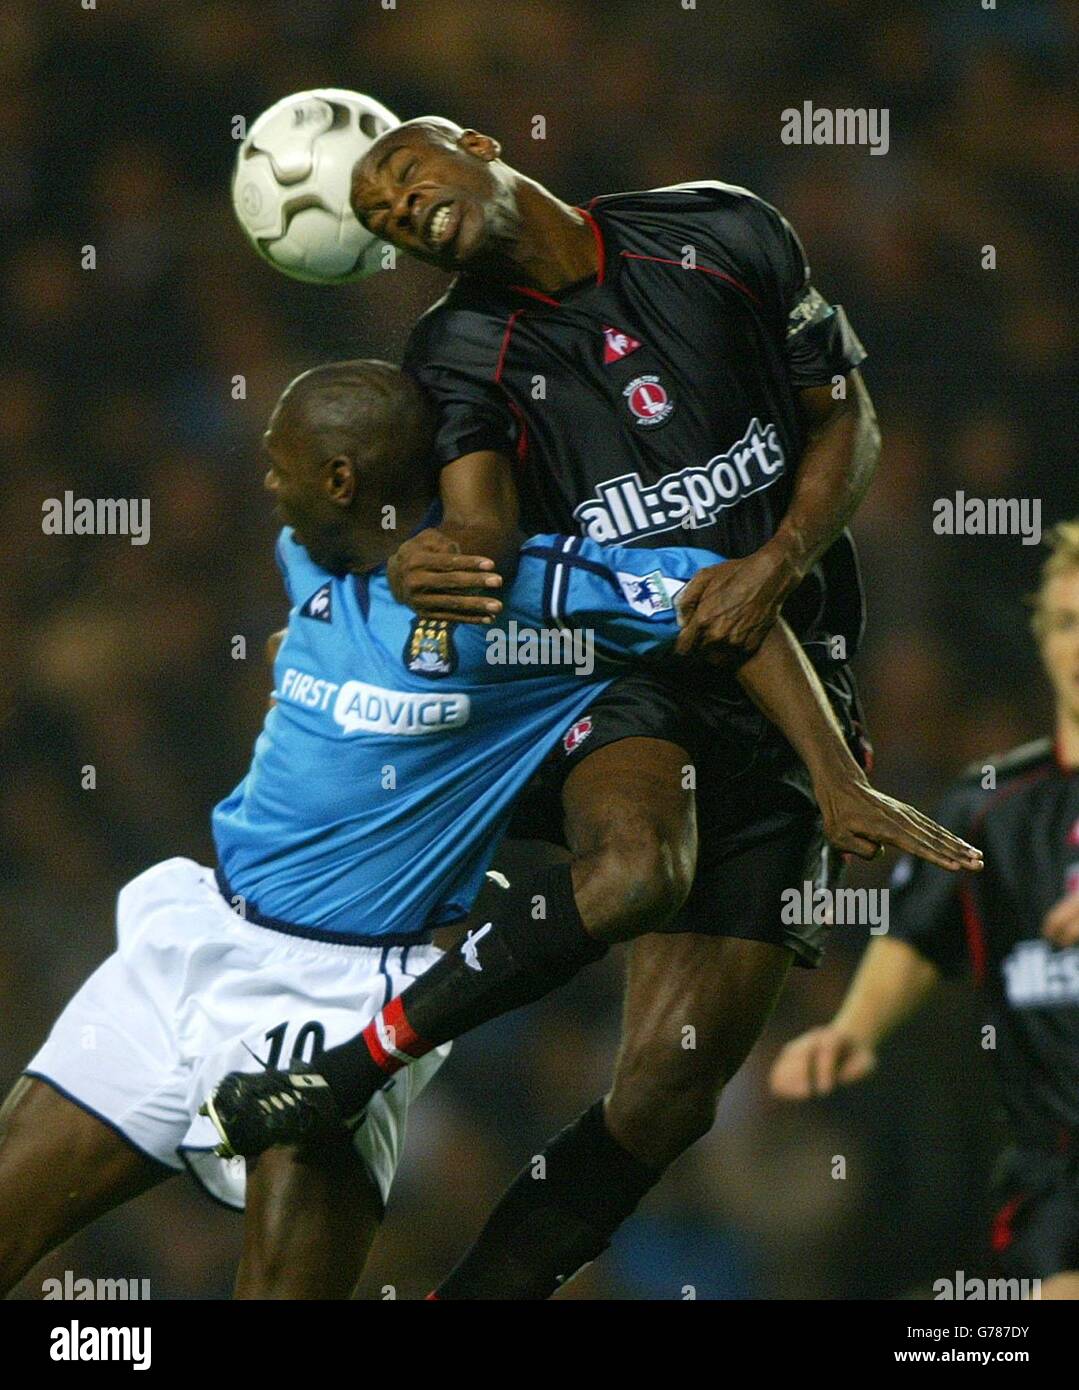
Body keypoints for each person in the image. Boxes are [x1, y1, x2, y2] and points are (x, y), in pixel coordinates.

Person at [0, 360, 973, 1300]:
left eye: (278, 462)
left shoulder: (526, 592)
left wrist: (833, 774)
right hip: (194, 936)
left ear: (340, 478)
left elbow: (739, 610)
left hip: (345, 991)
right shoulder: (309, 550)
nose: (265, 481)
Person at [209, 117, 980, 1296]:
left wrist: (774, 566)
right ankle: (348, 1065)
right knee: (634, 867)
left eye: (401, 174)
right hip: (620, 671)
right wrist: (421, 560)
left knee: (668, 1096)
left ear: (473, 145)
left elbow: (842, 420)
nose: (396, 207)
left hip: (790, 680)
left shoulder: (718, 228)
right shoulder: (456, 351)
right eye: (372, 217)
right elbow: (478, 524)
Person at [770, 521, 1079, 1300]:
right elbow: (915, 933)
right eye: (1068, 623)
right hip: (1054, 1164)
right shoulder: (992, 807)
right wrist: (852, 1029)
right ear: (1043, 637)